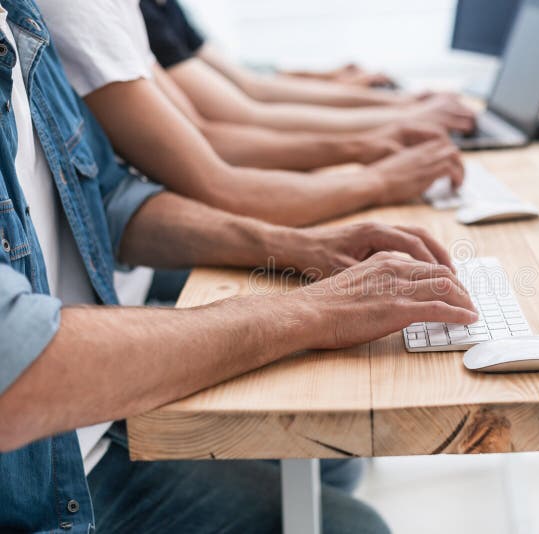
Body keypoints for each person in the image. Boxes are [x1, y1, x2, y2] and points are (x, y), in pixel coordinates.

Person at [0, 1, 478, 532]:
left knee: (331, 462)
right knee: (349, 524)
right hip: (37, 485)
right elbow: (16, 362)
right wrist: (311, 310)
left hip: (85, 425)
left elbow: (110, 200)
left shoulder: (20, 19)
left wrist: (299, 246)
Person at [37, 0, 466, 221]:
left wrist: (382, 132)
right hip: (134, 276)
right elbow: (220, 165)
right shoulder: (84, 10)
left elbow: (214, 121)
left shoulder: (123, 7)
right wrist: (377, 168)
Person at [139, 0, 478, 134]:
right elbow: (248, 111)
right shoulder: (141, 15)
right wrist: (403, 115)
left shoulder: (165, 6)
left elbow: (252, 83)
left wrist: (402, 103)